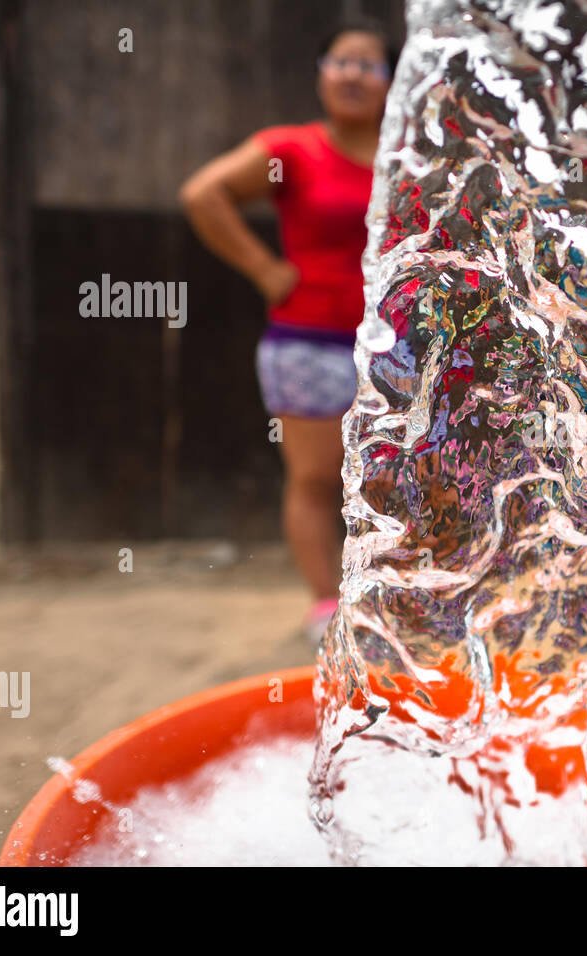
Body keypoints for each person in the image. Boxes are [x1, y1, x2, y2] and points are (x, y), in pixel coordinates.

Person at [179, 21, 395, 637]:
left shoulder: (408, 158)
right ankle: (327, 607)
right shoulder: (291, 150)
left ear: (390, 85)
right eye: (341, 62)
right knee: (315, 478)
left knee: (395, 479)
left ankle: (391, 601)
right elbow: (203, 194)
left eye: (370, 67)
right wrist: (265, 269)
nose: (353, 75)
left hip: (394, 349)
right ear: (321, 73)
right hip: (308, 343)